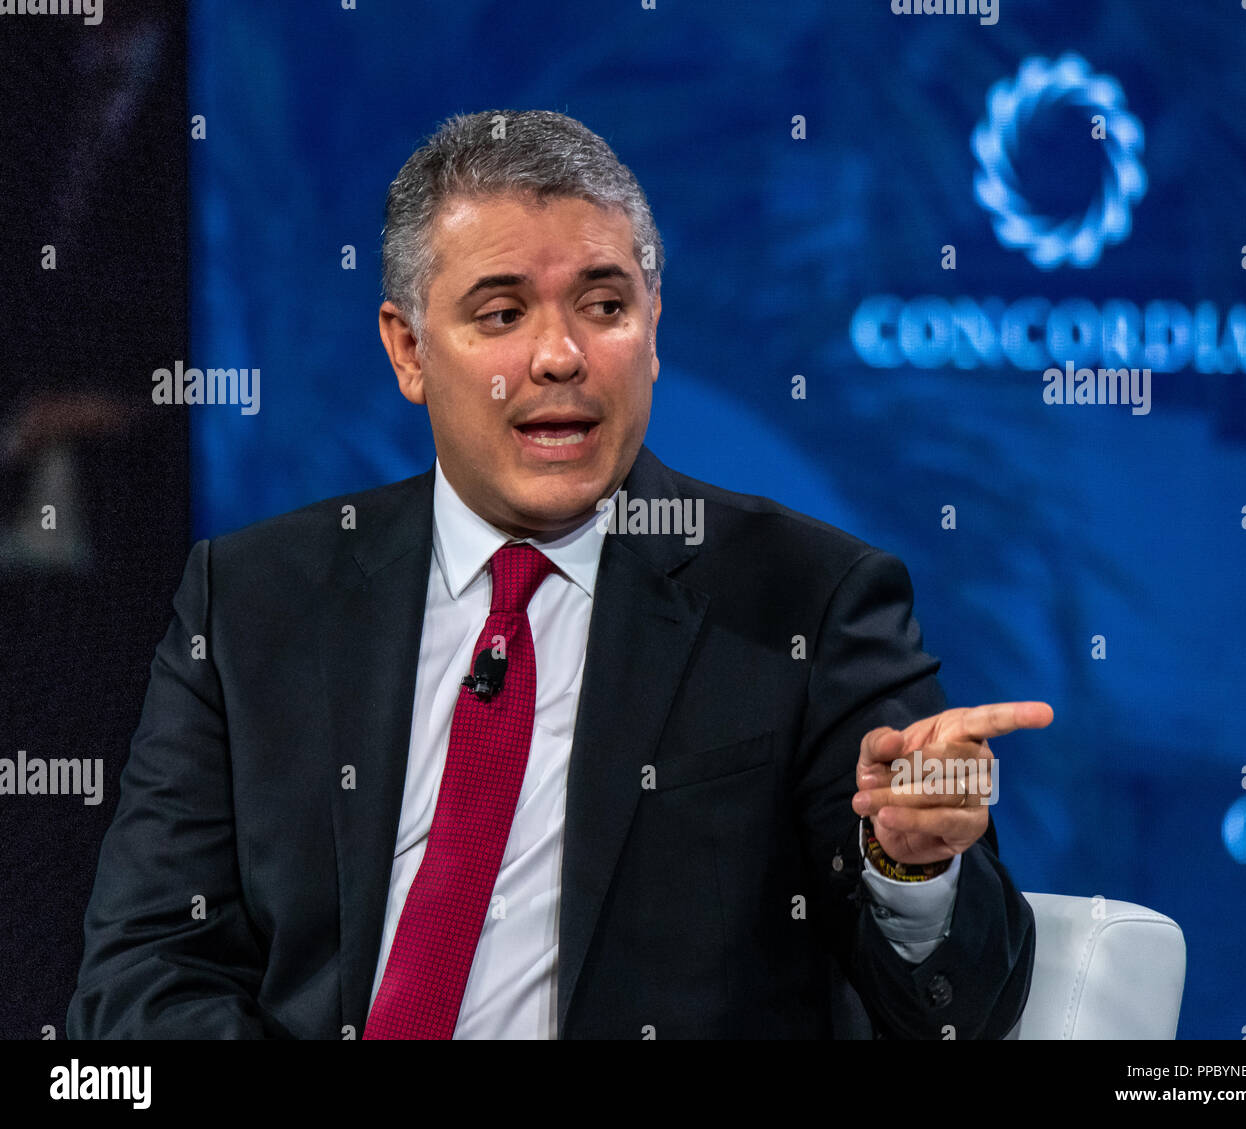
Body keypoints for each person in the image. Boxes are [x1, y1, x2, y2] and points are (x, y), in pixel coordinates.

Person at [67, 109, 1050, 1040]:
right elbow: (142, 973)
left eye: (605, 305)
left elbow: (958, 1008)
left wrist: (910, 868)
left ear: (653, 330)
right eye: (500, 313)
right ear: (408, 350)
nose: (559, 355)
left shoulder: (807, 601)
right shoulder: (251, 599)